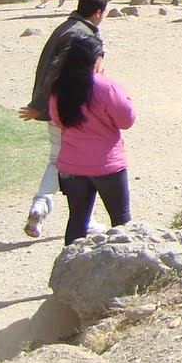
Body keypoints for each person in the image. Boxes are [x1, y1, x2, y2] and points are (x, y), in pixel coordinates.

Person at [19, 0, 109, 238]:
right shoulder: (83, 36)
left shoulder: (65, 28)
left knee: (57, 160)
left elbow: (46, 69)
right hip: (75, 111)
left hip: (55, 108)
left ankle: (40, 206)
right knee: (85, 164)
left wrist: (40, 105)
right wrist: (41, 107)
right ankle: (85, 218)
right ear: (99, 13)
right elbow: (58, 72)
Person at [50, 30, 134, 245]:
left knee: (77, 221)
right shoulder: (106, 87)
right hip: (107, 166)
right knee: (122, 221)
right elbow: (127, 120)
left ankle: (68, 270)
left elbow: (58, 121)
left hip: (72, 166)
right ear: (95, 59)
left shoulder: (60, 87)